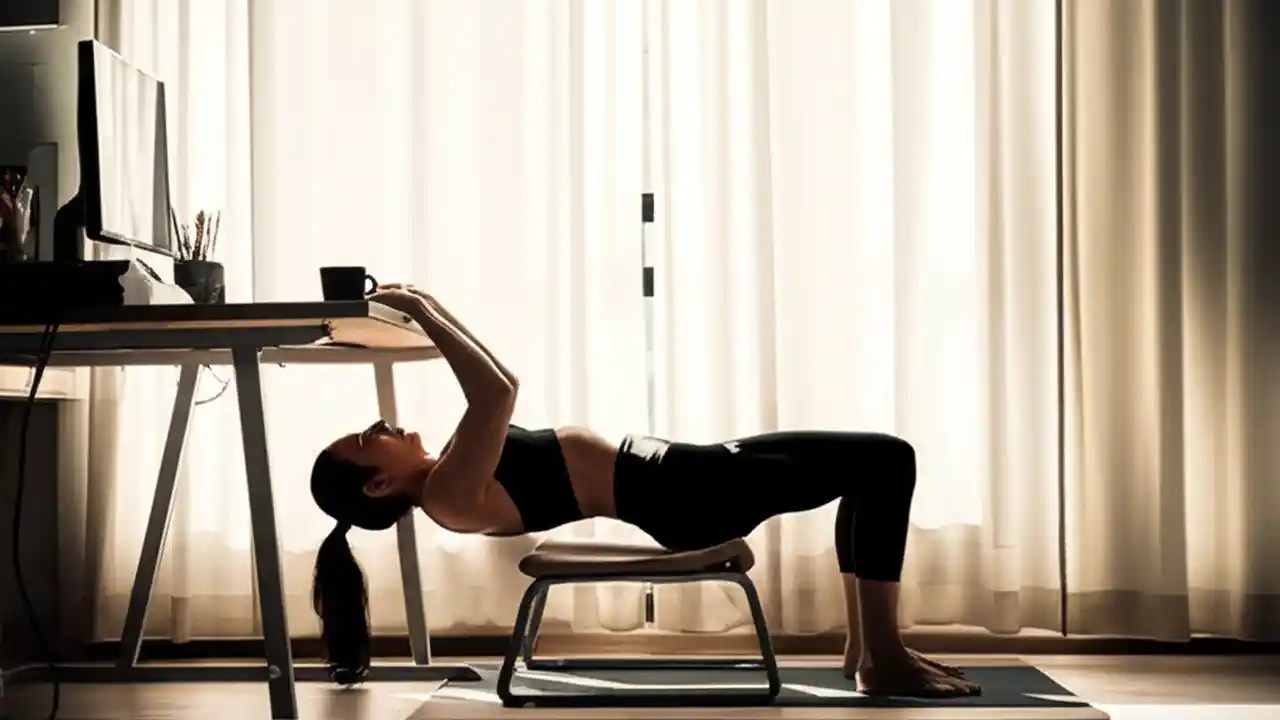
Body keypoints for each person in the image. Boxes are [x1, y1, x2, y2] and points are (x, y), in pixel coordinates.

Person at [309, 285, 981, 698]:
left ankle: (870, 650)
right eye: (369, 438)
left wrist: (431, 307)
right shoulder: (450, 494)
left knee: (873, 465)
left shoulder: (450, 474)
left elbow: (492, 382)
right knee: (888, 461)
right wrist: (425, 313)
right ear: (377, 482)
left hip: (694, 477)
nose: (381, 426)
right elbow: (497, 388)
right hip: (690, 494)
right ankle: (883, 656)